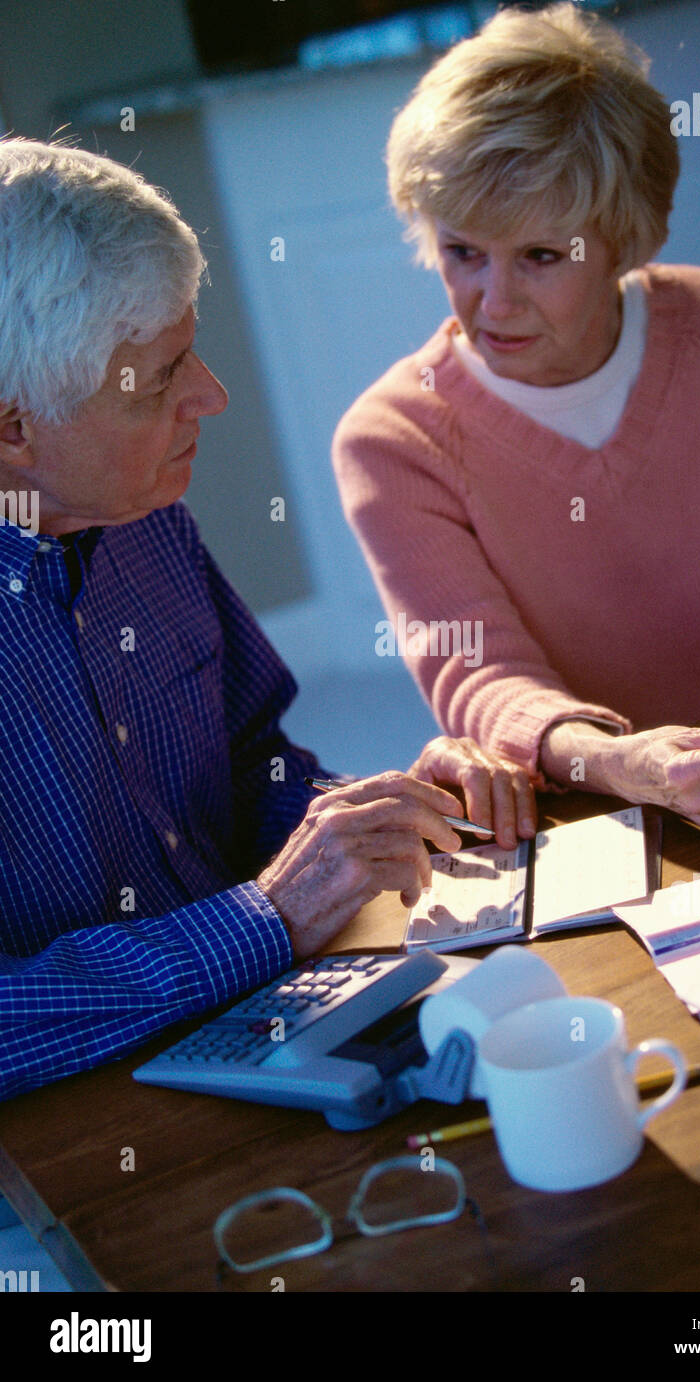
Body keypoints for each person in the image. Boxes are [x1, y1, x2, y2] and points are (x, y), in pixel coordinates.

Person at [0, 139, 536, 1101]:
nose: (212, 394)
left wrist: (383, 815)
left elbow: (250, 762)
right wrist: (263, 920)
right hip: (64, 1149)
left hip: (276, 1022)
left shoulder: (142, 518)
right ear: (13, 430)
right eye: (160, 379)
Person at [333, 3, 700, 833]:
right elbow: (480, 680)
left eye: (541, 257)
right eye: (462, 251)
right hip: (620, 818)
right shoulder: (393, 439)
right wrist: (624, 762)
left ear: (623, 240)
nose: (493, 302)